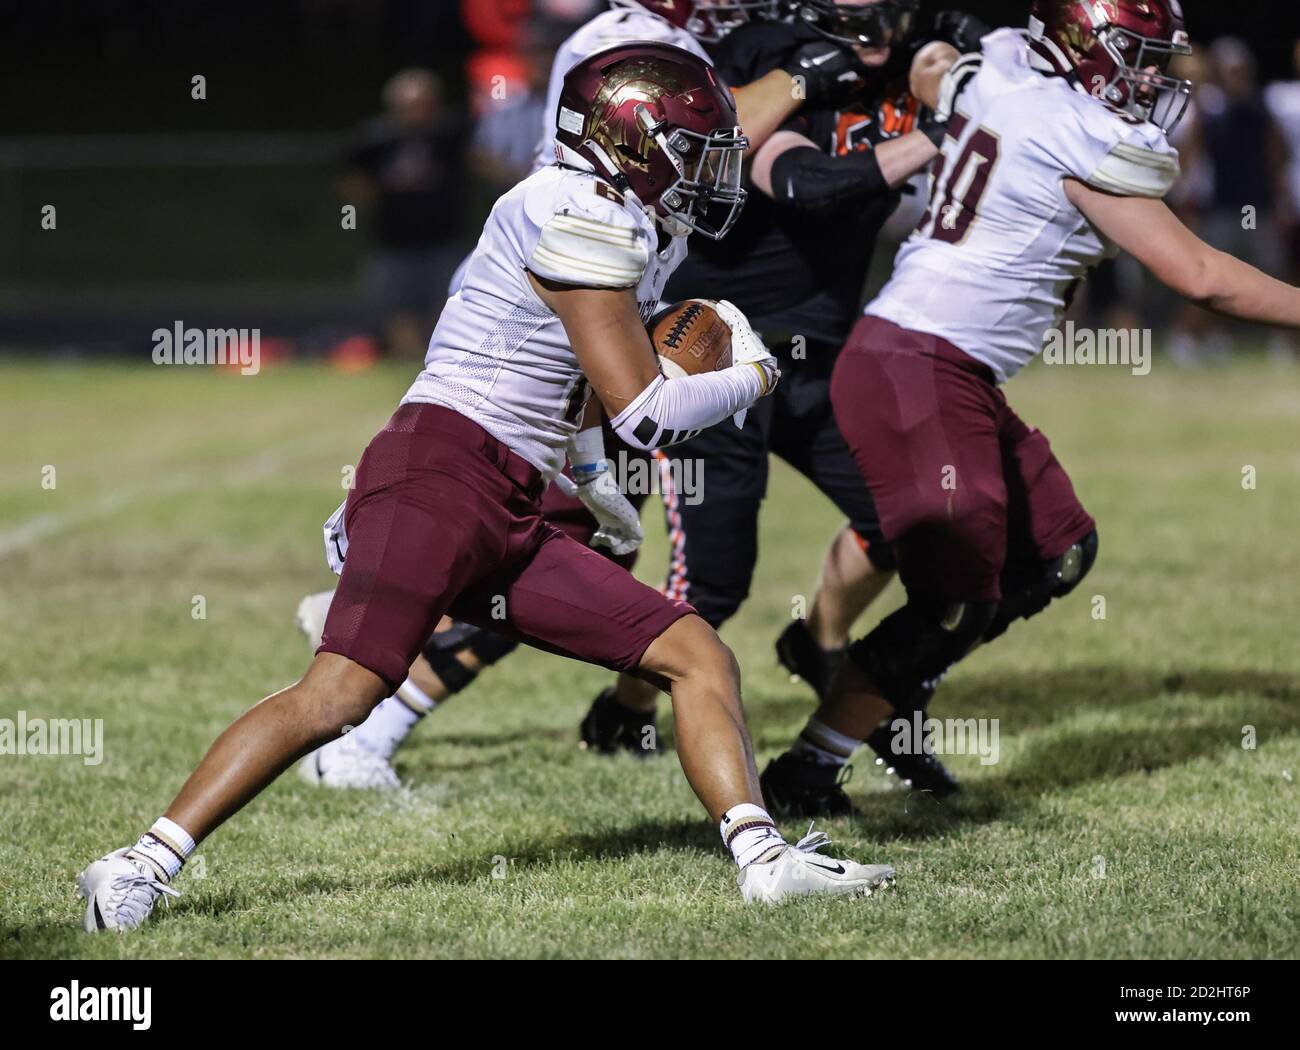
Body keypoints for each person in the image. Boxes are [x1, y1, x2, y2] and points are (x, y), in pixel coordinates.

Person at [77, 42, 898, 931]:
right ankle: (138, 866)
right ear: (634, 143)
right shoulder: (580, 214)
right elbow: (649, 415)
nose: (708, 169)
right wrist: (755, 375)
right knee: (340, 696)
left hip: (512, 489)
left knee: (695, 653)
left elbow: (578, 395)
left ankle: (765, 862)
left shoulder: (620, 216)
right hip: (443, 468)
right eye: (693, 148)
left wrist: (600, 496)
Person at [295, 0, 884, 789]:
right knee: (554, 540)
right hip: (564, 324)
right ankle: (384, 657)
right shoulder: (628, 44)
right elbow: (719, 140)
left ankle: (402, 641)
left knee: (581, 544)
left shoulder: (687, 46)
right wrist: (798, 77)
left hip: (602, 319)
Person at [764, 0, 1300, 815]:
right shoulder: (1073, 127)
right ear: (1081, 44)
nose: (1153, 78)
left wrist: (950, 80)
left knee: (1055, 551)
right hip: (917, 359)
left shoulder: (1010, 68)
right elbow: (1202, 278)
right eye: (1137, 56)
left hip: (939, 363)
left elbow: (936, 64)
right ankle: (812, 763)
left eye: (1158, 58)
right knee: (954, 599)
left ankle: (888, 685)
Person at [582, 1, 991, 809]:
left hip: (827, 350)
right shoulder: (769, 52)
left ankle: (821, 644)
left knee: (913, 522)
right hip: (719, 346)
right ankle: (626, 707)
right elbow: (799, 183)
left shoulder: (931, 51)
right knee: (717, 583)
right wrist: (941, 140)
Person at [342, 69, 470, 358]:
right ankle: (407, 357)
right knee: (397, 305)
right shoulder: (375, 139)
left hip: (443, 235)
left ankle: (442, 356)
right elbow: (354, 182)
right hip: (394, 237)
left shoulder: (451, 134)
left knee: (448, 301)